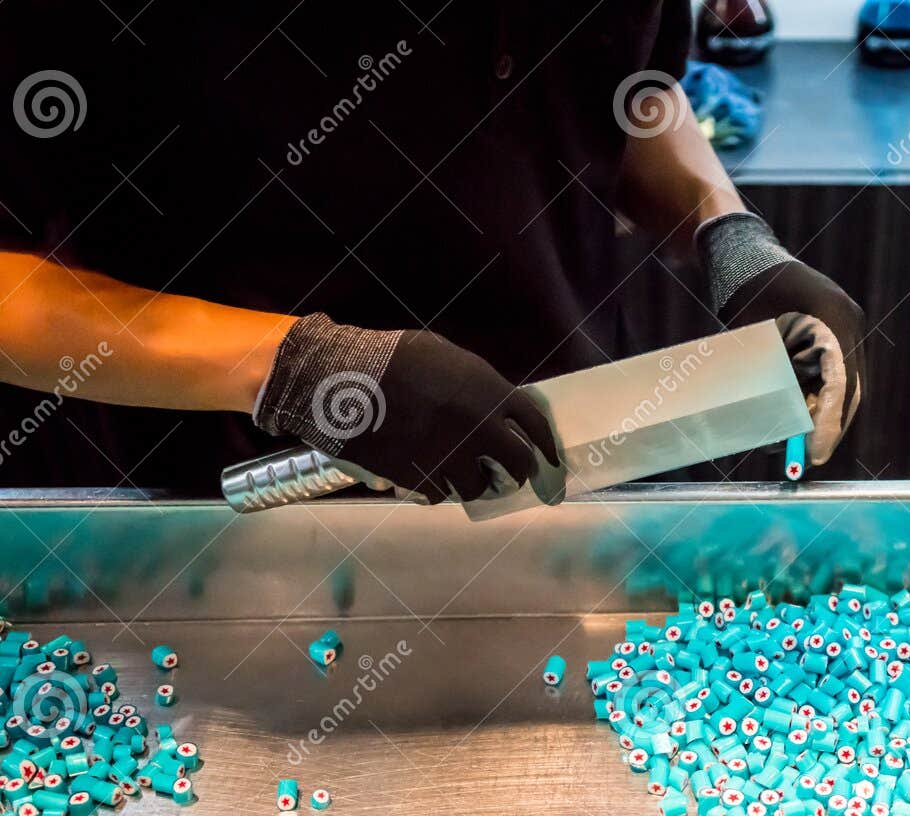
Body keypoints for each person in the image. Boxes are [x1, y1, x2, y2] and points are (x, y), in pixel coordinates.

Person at [0, 3, 864, 503]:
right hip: (235, 525)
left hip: (559, 466)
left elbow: (625, 88)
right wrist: (303, 368)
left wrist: (729, 232)